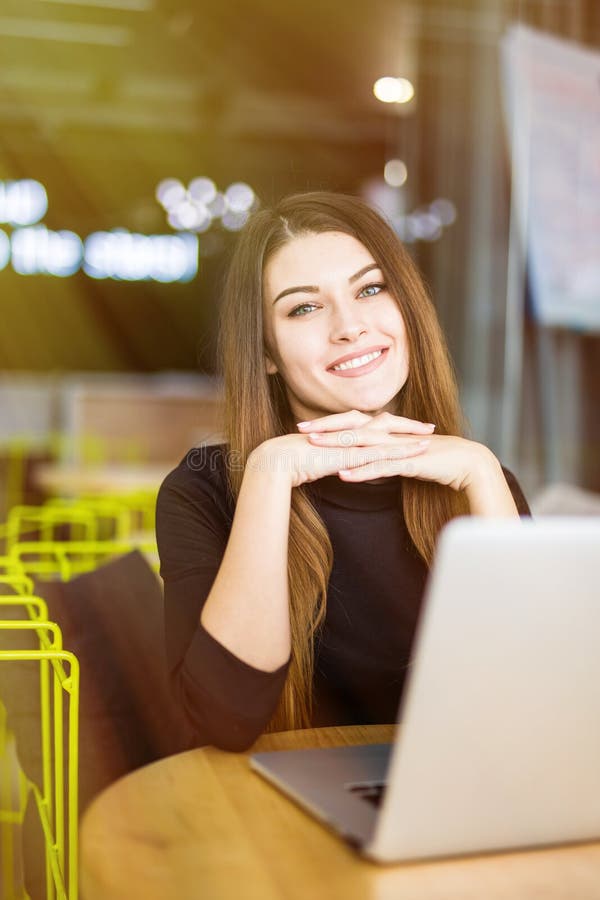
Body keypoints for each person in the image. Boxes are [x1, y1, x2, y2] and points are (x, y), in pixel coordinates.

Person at [156, 191, 529, 752]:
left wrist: (480, 472)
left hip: (458, 805)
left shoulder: (477, 478)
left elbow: (540, 705)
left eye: (371, 289)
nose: (350, 327)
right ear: (265, 353)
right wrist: (269, 471)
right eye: (304, 307)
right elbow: (225, 721)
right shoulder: (205, 490)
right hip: (276, 818)